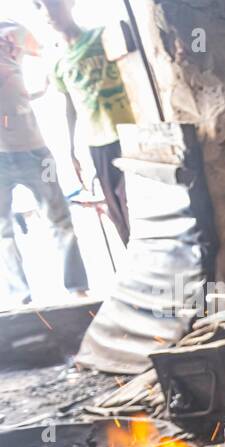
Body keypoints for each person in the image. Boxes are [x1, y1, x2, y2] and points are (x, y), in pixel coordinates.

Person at [0, 15, 87, 305]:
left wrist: (39, 89)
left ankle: (77, 289)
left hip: (34, 147)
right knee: (3, 231)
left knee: (60, 219)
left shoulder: (15, 30)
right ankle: (19, 299)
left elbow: (49, 57)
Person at [33, 0, 134, 243]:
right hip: (98, 142)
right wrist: (70, 150)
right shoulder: (58, 61)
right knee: (117, 209)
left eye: (53, 3)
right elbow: (71, 106)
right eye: (39, 6)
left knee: (136, 200)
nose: (48, 11)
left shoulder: (102, 37)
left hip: (129, 131)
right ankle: (140, 266)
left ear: (70, 3)